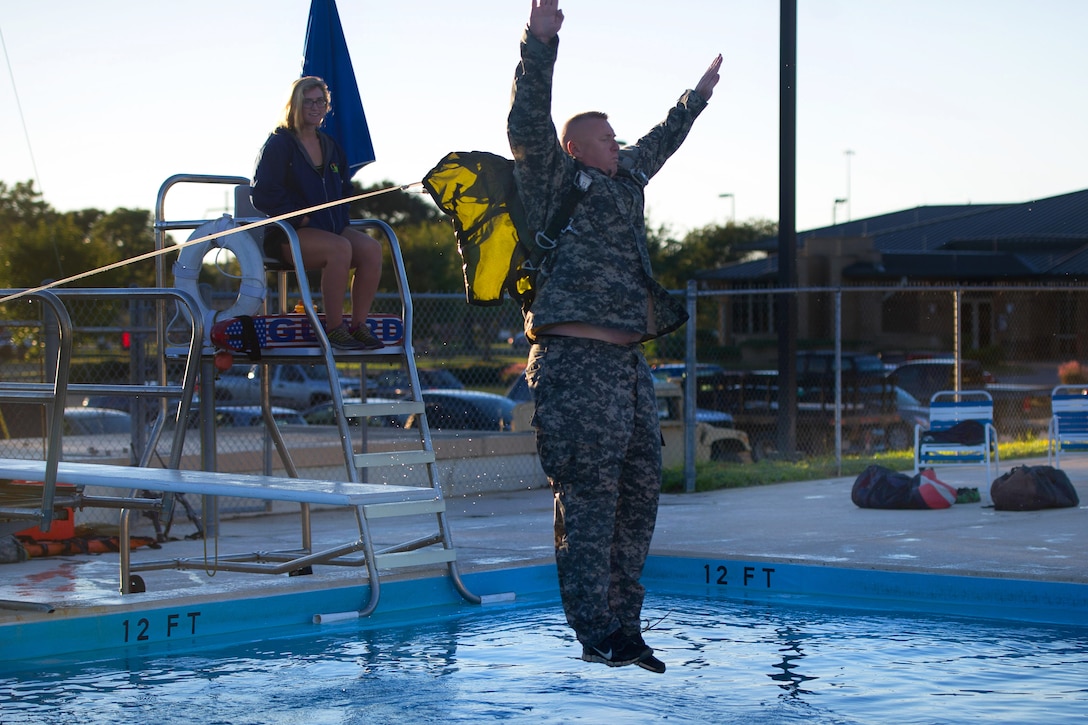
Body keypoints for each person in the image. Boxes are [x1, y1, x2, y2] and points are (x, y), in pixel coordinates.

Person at [508, 0, 721, 673]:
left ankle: (626, 625)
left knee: (639, 495)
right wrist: (539, 41)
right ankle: (592, 627)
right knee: (590, 499)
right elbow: (527, 114)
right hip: (574, 363)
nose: (618, 143)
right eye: (606, 136)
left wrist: (696, 99)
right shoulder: (552, 177)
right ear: (576, 146)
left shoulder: (628, 180)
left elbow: (662, 138)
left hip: (629, 366)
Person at [252, 76, 384, 350]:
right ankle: (335, 329)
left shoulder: (330, 146)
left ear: (327, 106)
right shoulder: (280, 144)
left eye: (320, 101)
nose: (314, 107)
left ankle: (358, 325)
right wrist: (300, 218)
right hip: (289, 234)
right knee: (339, 249)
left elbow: (344, 188)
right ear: (294, 105)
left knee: (372, 249)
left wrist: (341, 210)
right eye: (308, 101)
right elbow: (263, 193)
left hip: (331, 228)